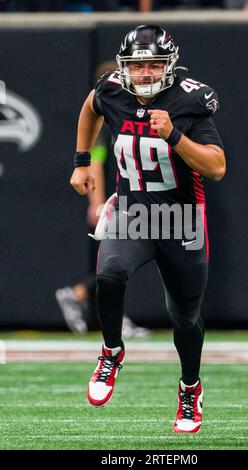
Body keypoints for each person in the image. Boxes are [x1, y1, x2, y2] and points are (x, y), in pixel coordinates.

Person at [70, 24, 225, 433]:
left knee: (185, 318)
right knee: (109, 273)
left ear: (170, 64)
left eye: (153, 63)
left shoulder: (189, 99)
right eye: (136, 65)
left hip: (181, 220)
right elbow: (91, 106)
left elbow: (216, 166)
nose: (144, 73)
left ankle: (190, 389)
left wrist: (174, 135)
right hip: (134, 212)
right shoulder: (113, 90)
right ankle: (111, 351)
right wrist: (82, 159)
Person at [56, 60, 150, 338]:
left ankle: (96, 304)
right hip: (114, 198)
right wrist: (96, 202)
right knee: (117, 261)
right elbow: (95, 161)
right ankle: (81, 295)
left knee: (119, 261)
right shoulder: (108, 112)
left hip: (126, 196)